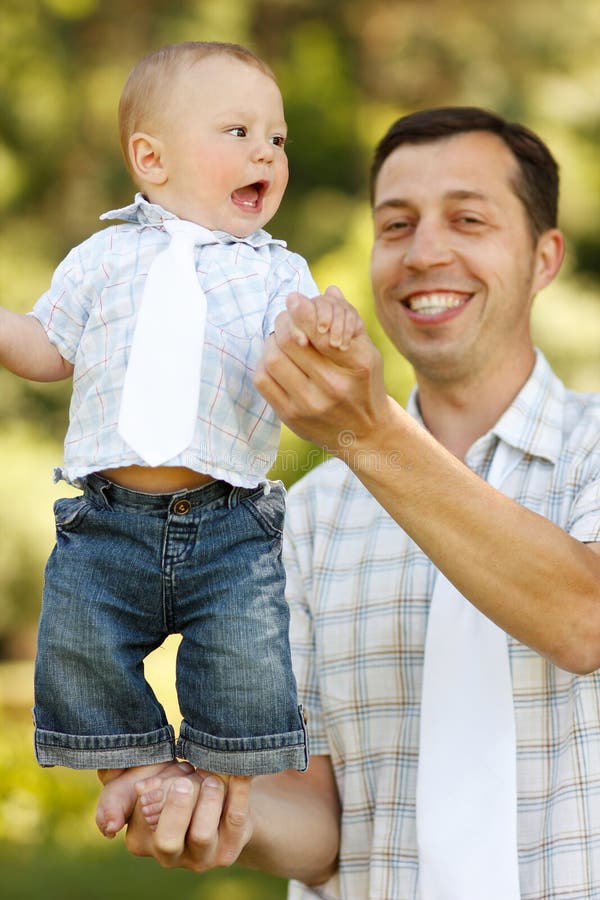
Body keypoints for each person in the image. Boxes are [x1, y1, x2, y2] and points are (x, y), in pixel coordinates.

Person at [101, 107, 600, 899]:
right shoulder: (306, 517)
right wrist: (216, 807)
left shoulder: (593, 449)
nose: (425, 252)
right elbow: (320, 825)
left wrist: (368, 435)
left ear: (544, 259)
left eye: (468, 219)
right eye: (396, 225)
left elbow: (585, 619)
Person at [0, 40, 361, 839]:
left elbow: (299, 347)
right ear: (150, 159)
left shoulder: (276, 271)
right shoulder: (104, 257)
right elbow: (47, 350)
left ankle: (222, 776)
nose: (266, 148)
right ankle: (134, 765)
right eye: (237, 131)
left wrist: (325, 327)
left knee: (243, 655)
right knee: (82, 642)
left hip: (228, 521)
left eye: (278, 137)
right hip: (106, 520)